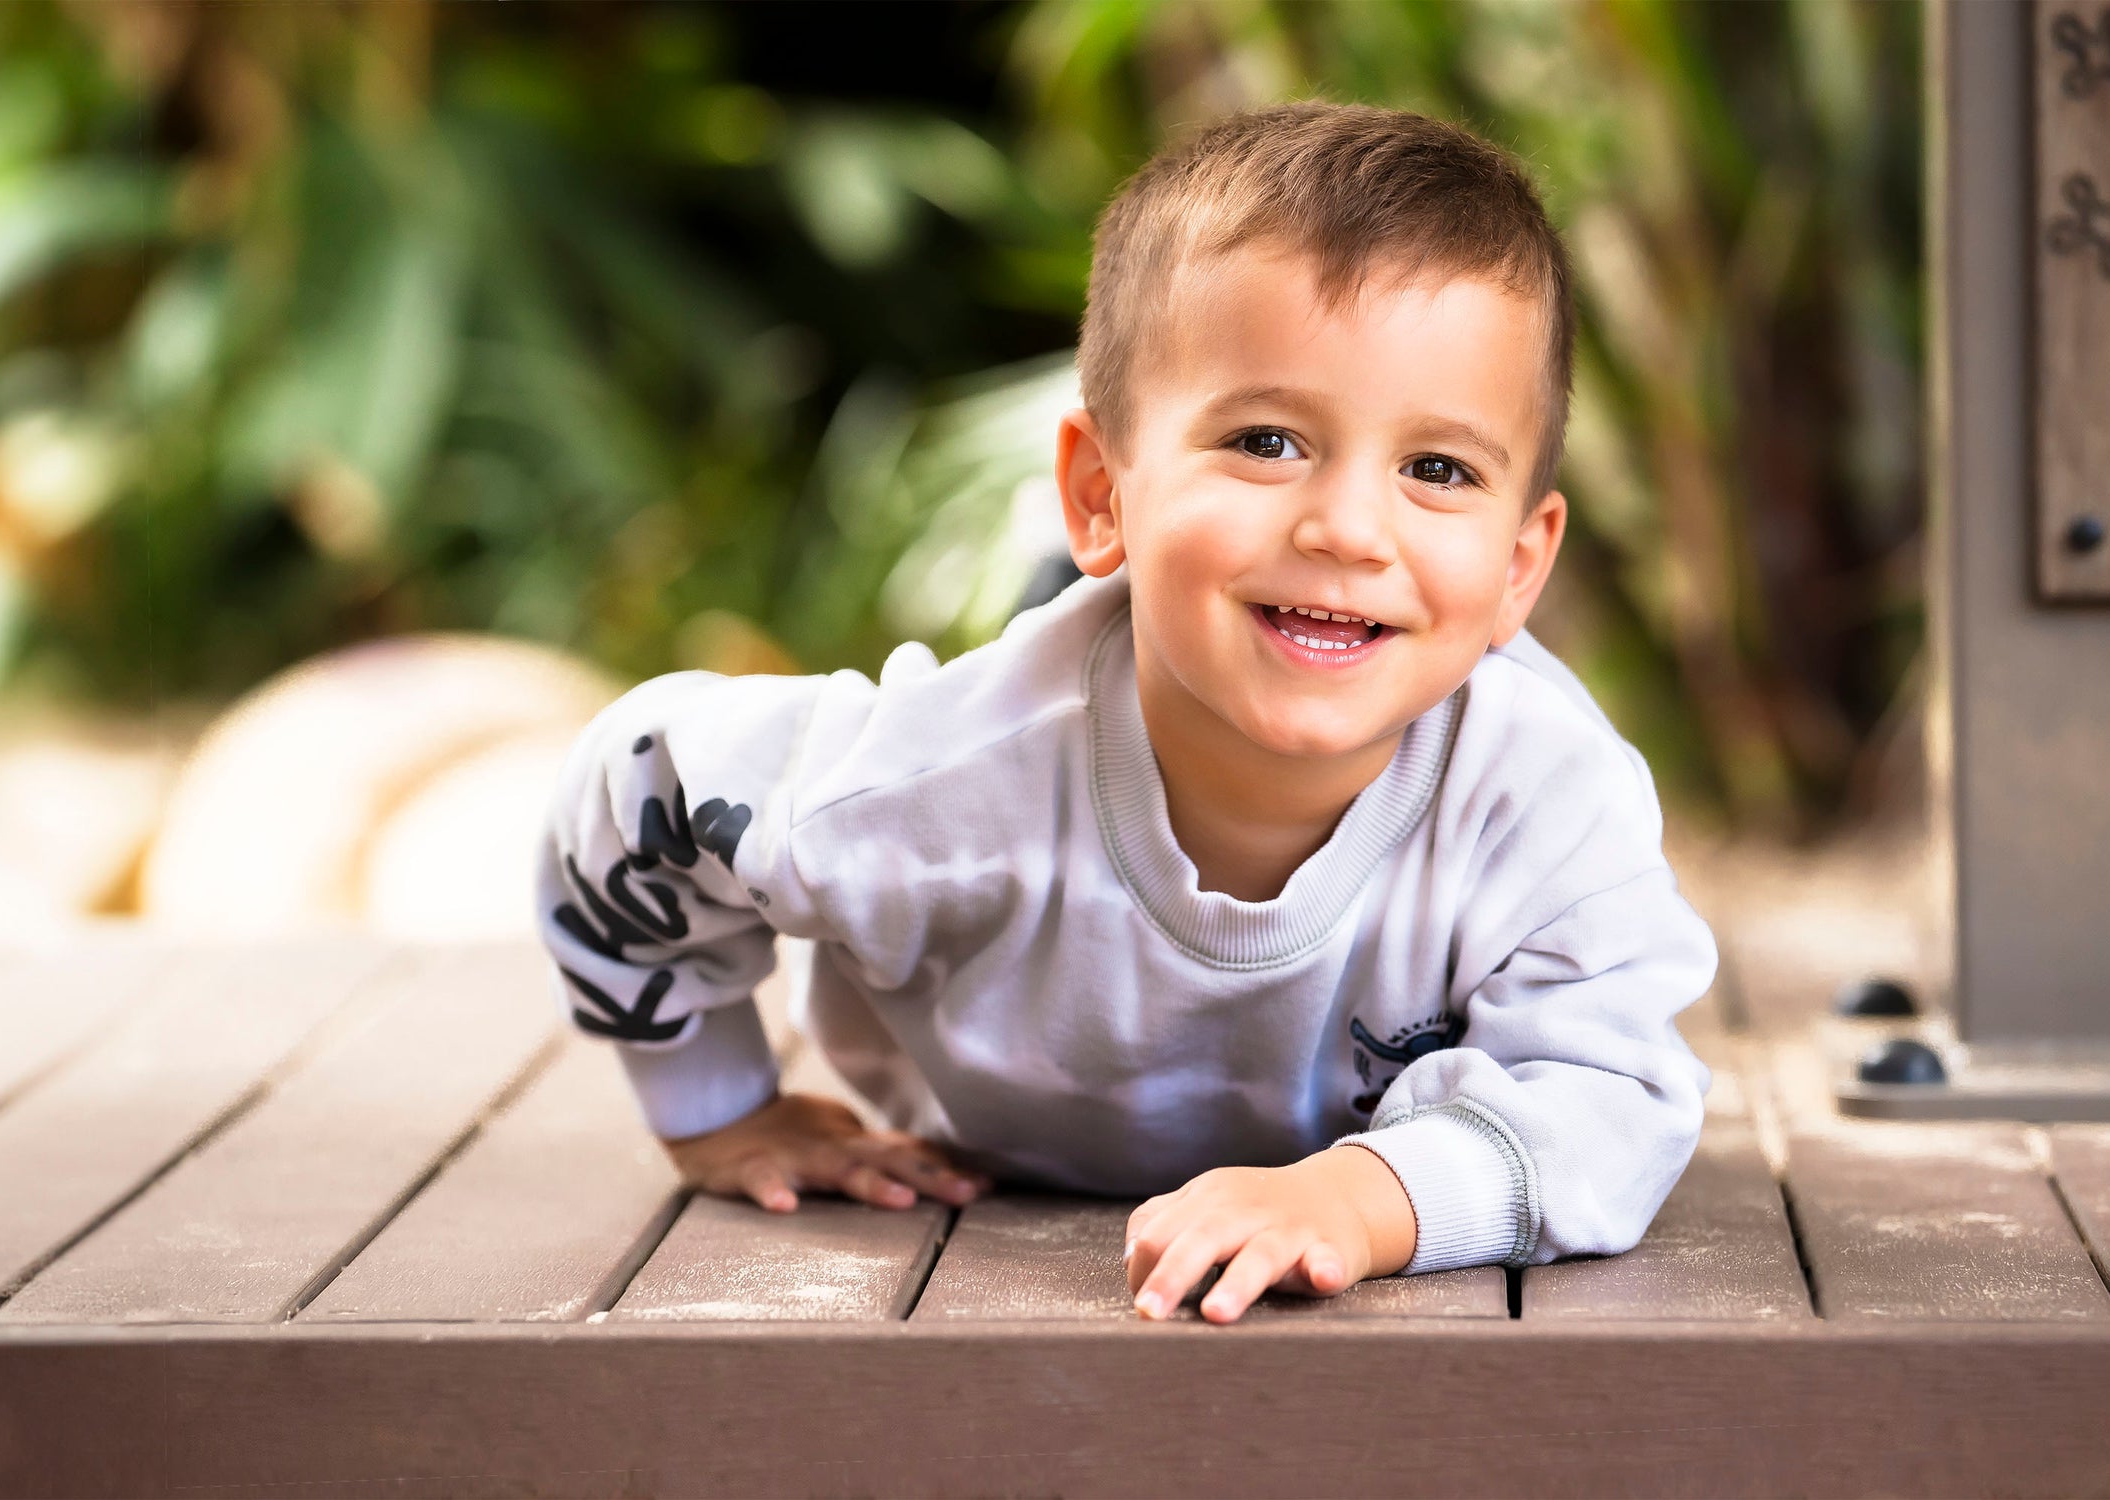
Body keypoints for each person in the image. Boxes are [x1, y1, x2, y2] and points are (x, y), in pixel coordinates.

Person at [539, 101, 1714, 1324]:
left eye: (1438, 469)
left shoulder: (1551, 807)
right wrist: (716, 1107)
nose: (1350, 530)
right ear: (1099, 493)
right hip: (983, 1124)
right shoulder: (933, 781)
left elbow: (1612, 1098)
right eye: (1267, 440)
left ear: (1523, 564)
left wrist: (1356, 1202)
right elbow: (638, 790)